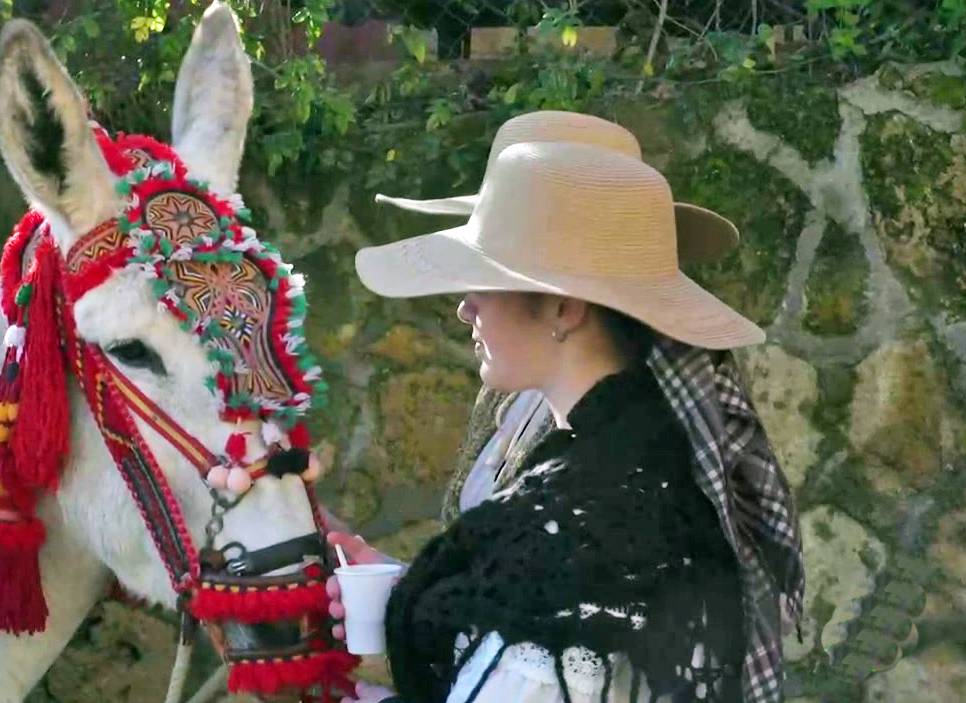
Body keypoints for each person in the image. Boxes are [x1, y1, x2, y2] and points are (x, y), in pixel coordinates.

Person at [326, 112, 805, 703]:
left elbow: (537, 641)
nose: (464, 309)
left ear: (564, 309)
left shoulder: (588, 514)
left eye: (483, 280)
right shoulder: (633, 458)